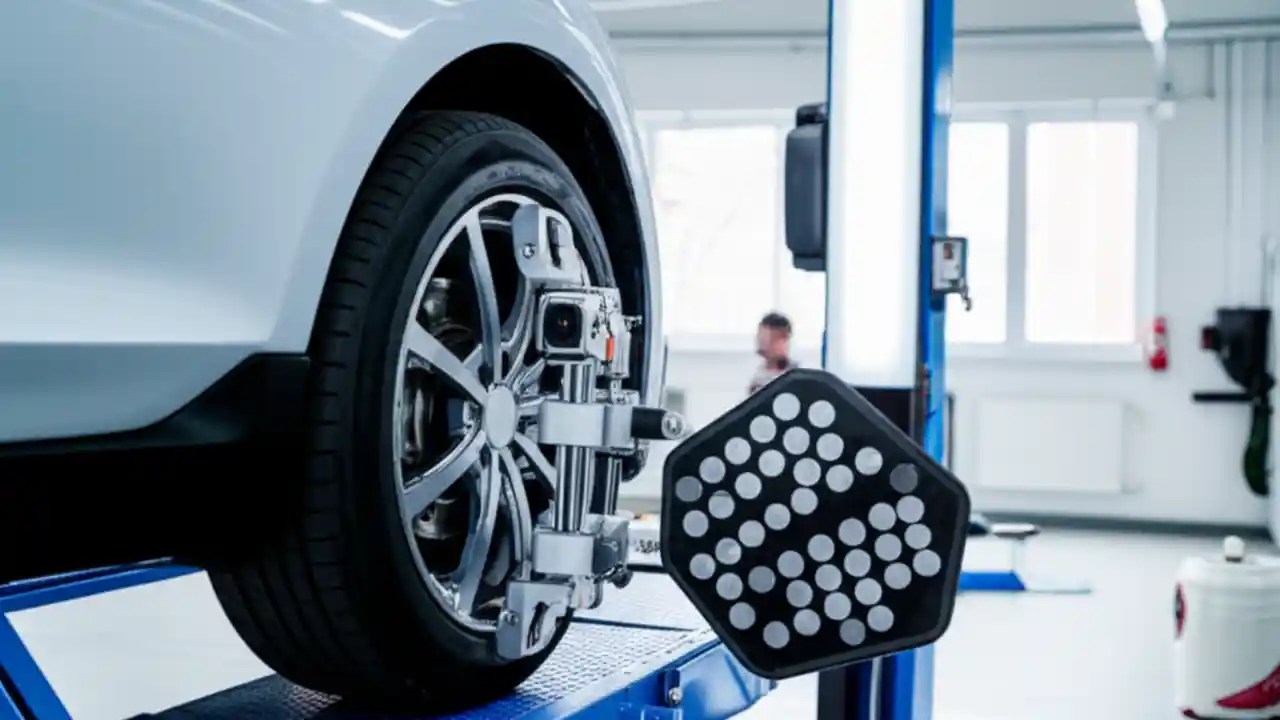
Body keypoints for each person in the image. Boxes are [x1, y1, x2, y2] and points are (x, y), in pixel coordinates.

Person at [749, 312, 798, 394]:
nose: (760, 341)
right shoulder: (756, 375)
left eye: (767, 338)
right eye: (760, 336)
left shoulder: (795, 378)